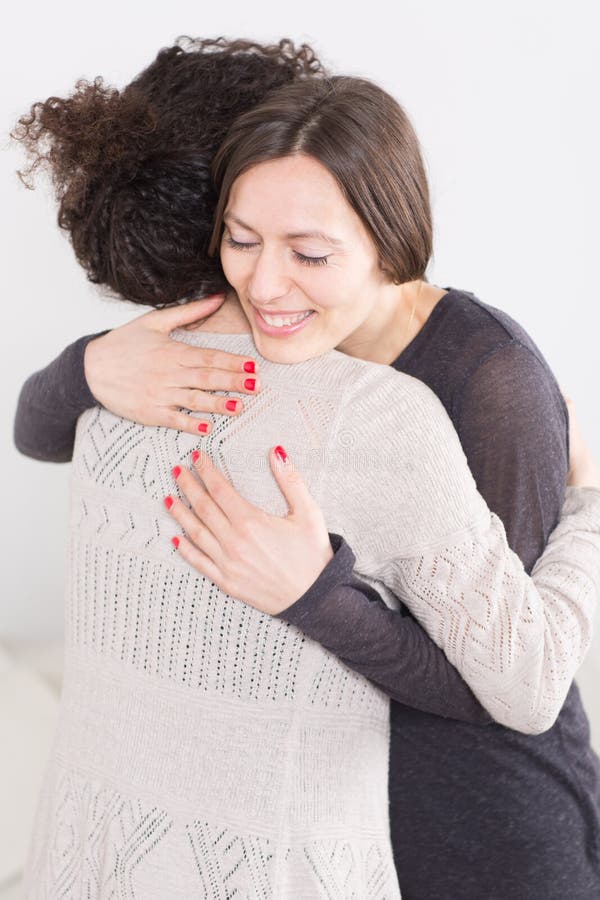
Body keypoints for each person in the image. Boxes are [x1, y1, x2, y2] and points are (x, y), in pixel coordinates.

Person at [13, 44, 600, 900]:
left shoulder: (486, 383)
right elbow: (40, 425)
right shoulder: (245, 354)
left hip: (483, 817)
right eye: (242, 239)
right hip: (347, 803)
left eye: (310, 252)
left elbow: (507, 686)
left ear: (385, 240)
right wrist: (92, 366)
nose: (265, 281)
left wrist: (316, 599)